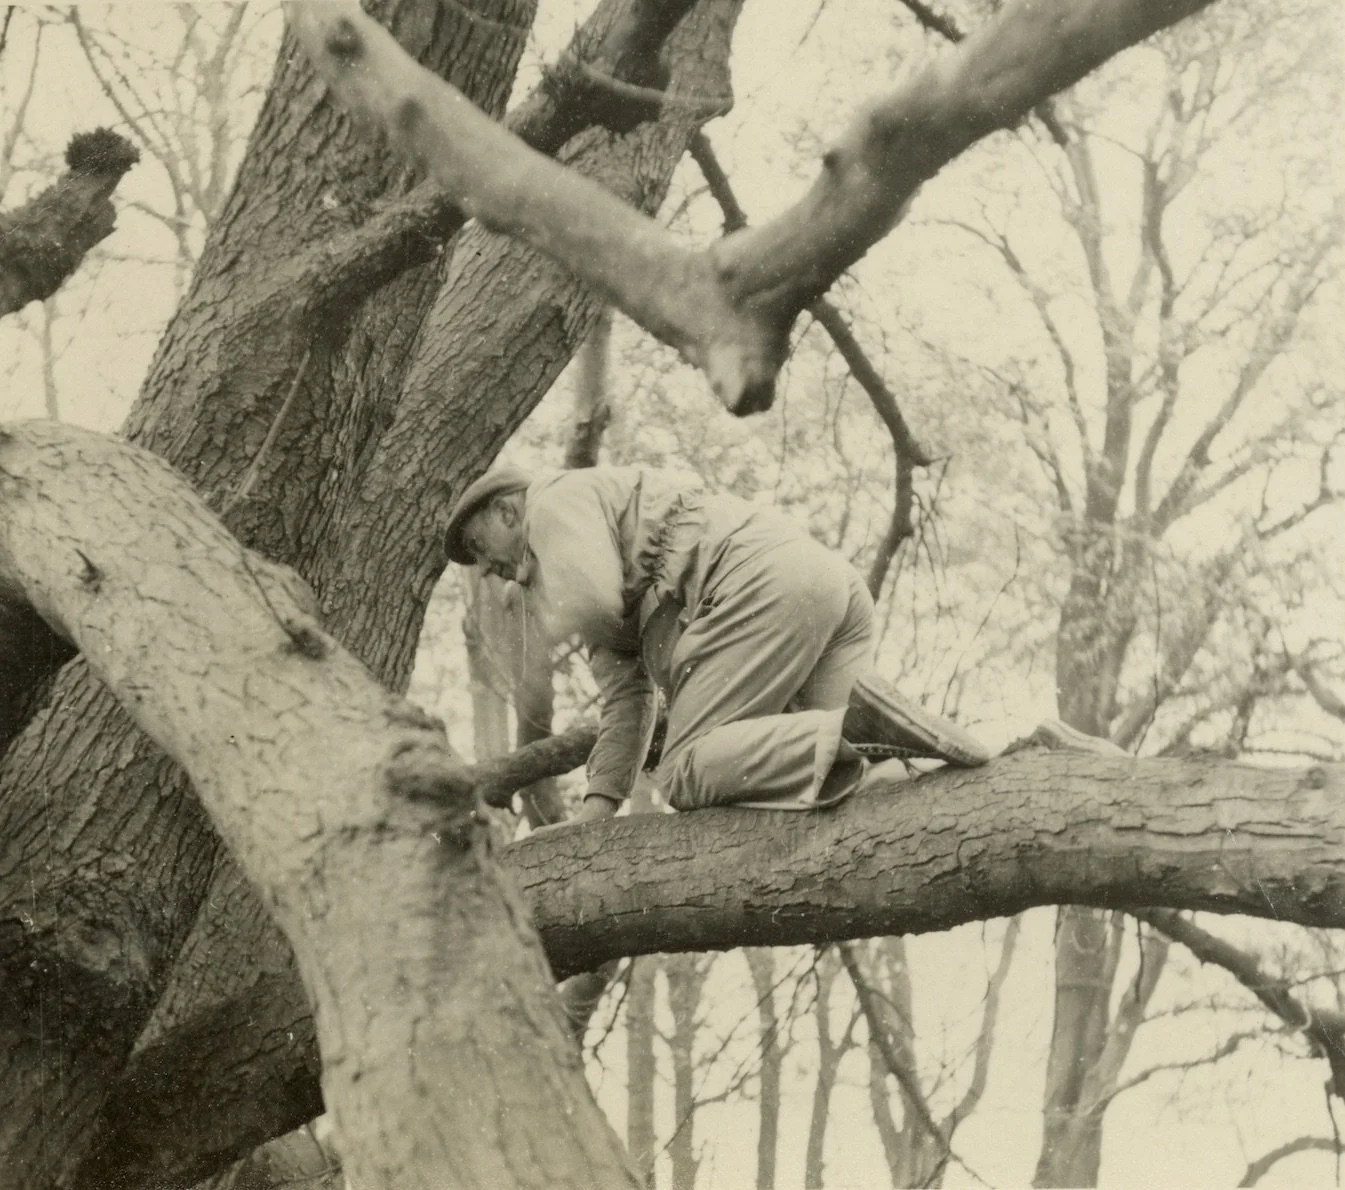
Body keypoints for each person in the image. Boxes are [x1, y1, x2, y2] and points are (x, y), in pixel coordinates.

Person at [446, 464, 997, 827]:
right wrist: (597, 811)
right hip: (822, 584)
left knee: (686, 769)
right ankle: (982, 767)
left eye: (480, 546)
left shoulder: (553, 503)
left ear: (508, 511)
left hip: (753, 585)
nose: (490, 571)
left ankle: (852, 726)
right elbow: (626, 704)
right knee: (866, 788)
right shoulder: (590, 562)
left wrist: (538, 631)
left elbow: (591, 604)